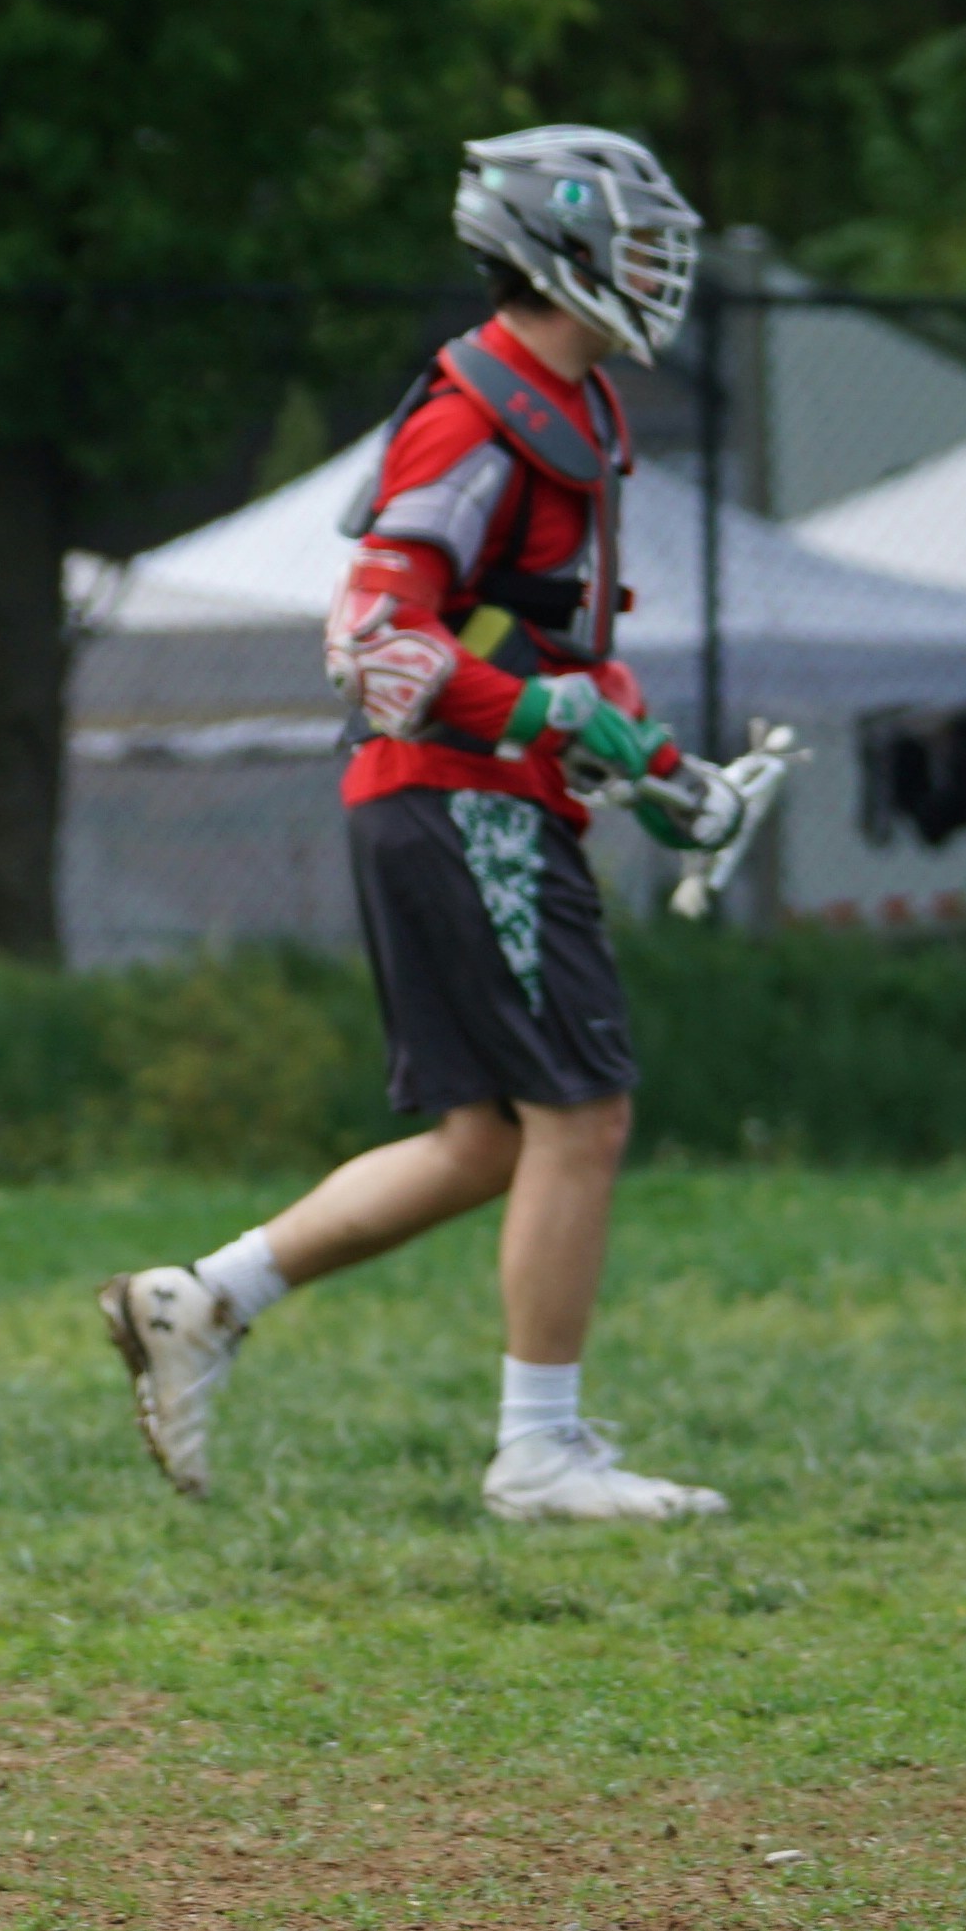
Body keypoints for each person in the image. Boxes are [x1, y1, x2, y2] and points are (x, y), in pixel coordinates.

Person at [100, 125, 781, 1524]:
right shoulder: (480, 412)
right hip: (454, 801)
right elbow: (376, 640)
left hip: (465, 801)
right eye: (639, 244)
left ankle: (199, 1301)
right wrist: (547, 727)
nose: (661, 275)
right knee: (582, 1117)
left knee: (492, 1138)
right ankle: (539, 1453)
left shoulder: (564, 404)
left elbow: (533, 643)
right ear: (559, 248)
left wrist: (659, 765)